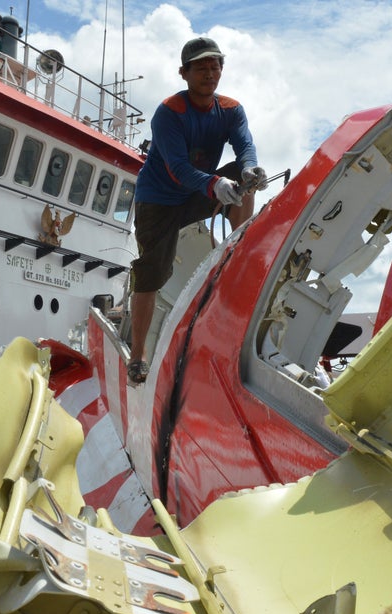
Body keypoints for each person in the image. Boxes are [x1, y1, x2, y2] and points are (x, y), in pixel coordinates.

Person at [126, 36, 267, 384]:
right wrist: (215, 185)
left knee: (242, 177)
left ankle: (237, 253)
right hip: (158, 200)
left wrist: (250, 169)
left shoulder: (231, 109)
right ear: (183, 73)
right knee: (151, 273)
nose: (209, 72)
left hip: (200, 190)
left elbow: (245, 146)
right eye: (200, 66)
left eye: (215, 65)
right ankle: (138, 353)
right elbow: (176, 167)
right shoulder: (169, 113)